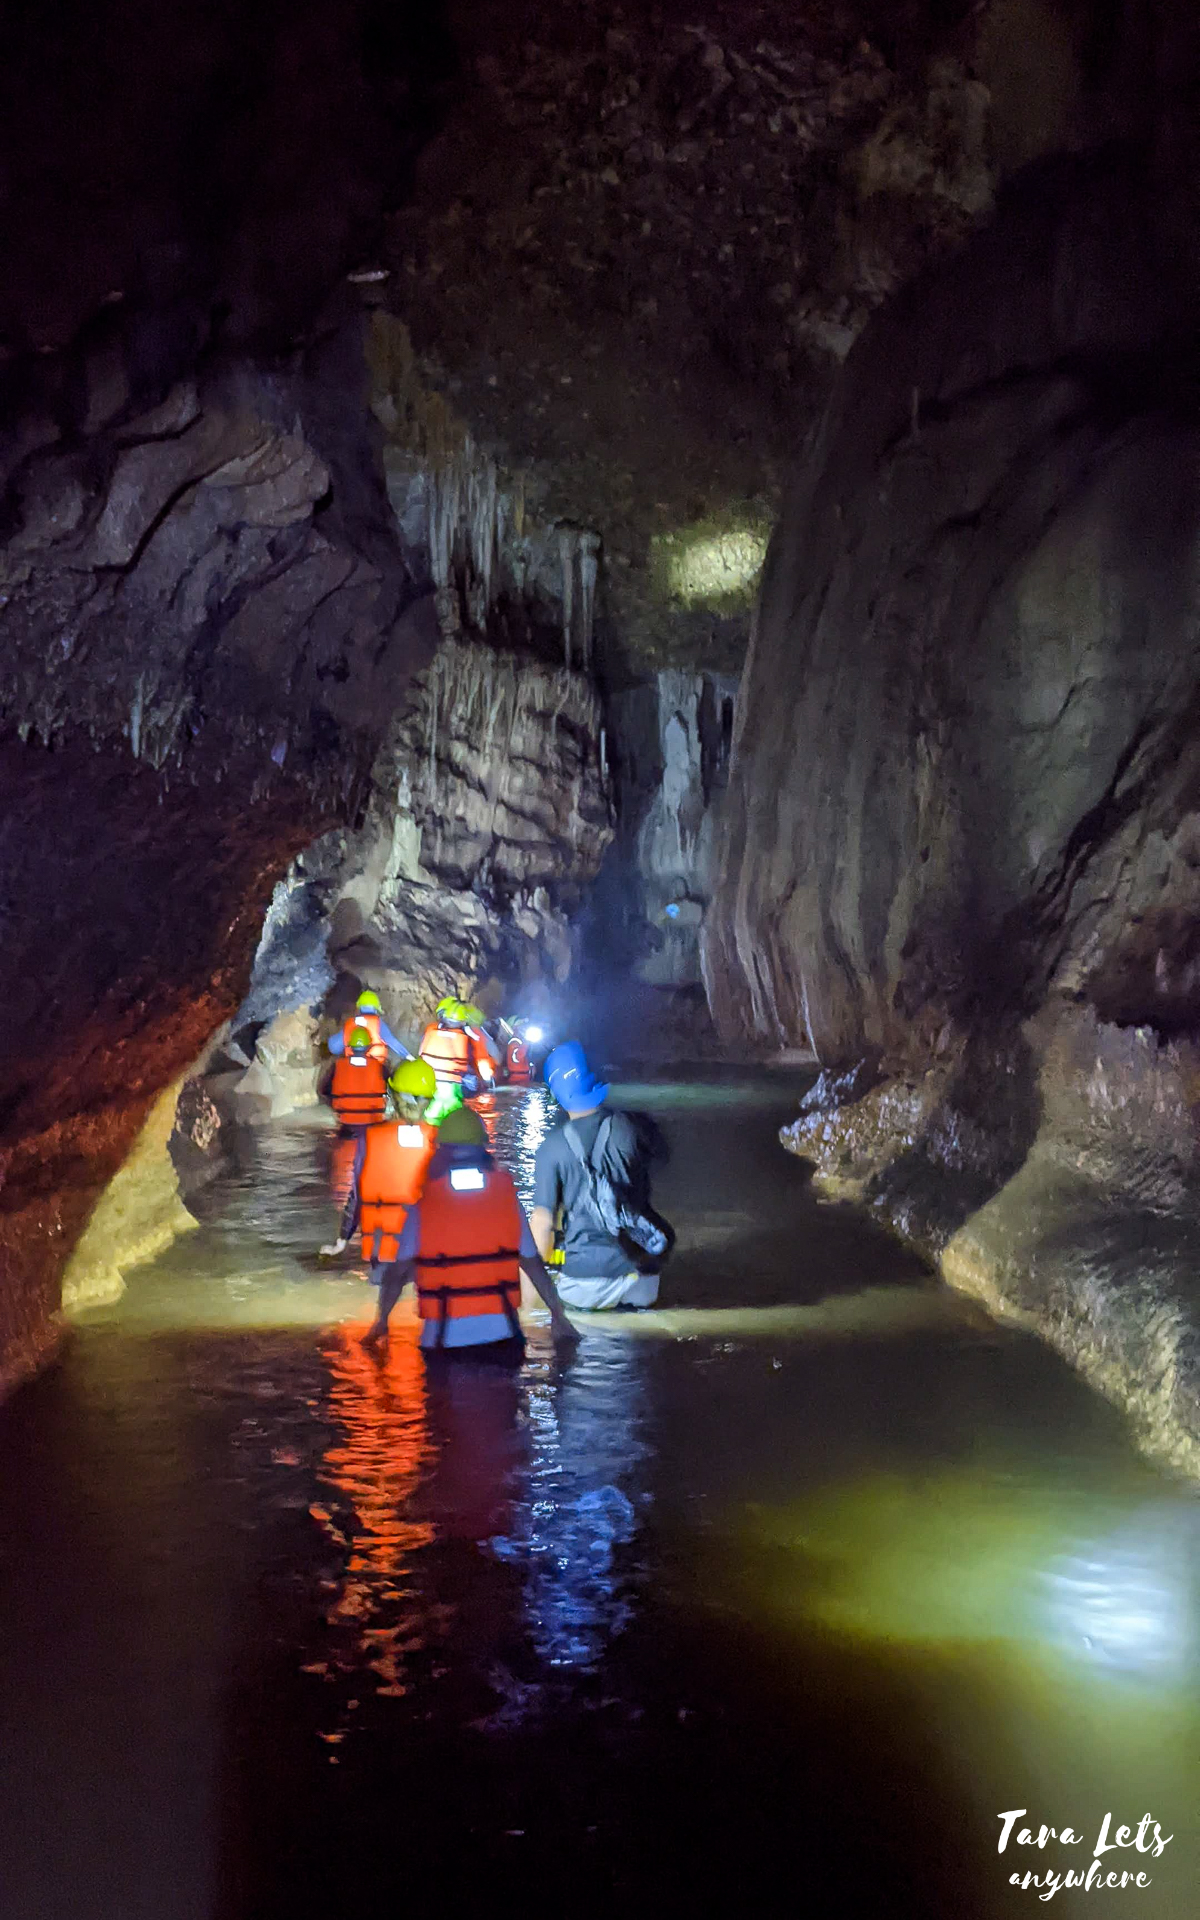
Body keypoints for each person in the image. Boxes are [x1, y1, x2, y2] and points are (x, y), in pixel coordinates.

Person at [362, 1106, 576, 1354]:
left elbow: (396, 1274)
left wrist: (382, 1320)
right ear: (484, 1150)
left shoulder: (423, 1207)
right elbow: (533, 1264)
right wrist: (557, 1313)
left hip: (442, 1344)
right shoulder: (507, 1199)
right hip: (503, 1339)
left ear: (440, 1152)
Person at [530, 1041, 672, 1311]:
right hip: (641, 1282)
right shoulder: (635, 1127)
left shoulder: (551, 1149)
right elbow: (661, 1163)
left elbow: (542, 1224)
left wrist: (532, 1302)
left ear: (556, 1093)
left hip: (584, 1285)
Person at [320, 1057, 438, 1260]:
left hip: (380, 1249)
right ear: (429, 1101)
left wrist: (342, 1241)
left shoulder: (371, 1138)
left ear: (392, 1095)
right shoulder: (440, 1140)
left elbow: (356, 1197)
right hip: (428, 1250)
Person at [418, 998, 496, 1095]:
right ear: (463, 1020)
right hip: (454, 1084)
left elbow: (421, 1053)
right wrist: (488, 1082)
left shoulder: (431, 1029)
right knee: (475, 1086)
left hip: (427, 1080)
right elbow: (482, 1062)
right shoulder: (472, 1033)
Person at [328, 1022, 390, 1130]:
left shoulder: (338, 1065)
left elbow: (325, 1089)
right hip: (373, 1119)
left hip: (345, 1119)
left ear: (350, 1046)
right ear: (369, 1046)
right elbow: (389, 1085)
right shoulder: (379, 1066)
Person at [328, 988, 411, 1063]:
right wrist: (408, 1056)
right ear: (376, 1008)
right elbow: (392, 1042)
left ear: (359, 1007)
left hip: (352, 1066)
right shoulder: (378, 1024)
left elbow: (333, 1047)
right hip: (375, 1065)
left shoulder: (350, 1024)